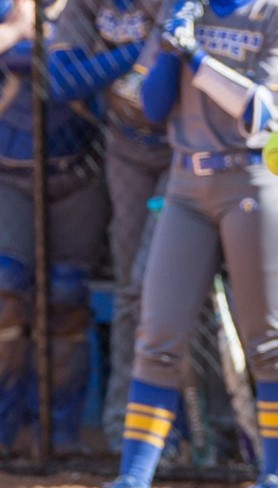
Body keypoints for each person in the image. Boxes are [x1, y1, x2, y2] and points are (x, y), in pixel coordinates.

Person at [88, 0, 278, 488]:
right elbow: (152, 105)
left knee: (267, 339)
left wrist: (196, 56)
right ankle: (133, 484)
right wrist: (172, 44)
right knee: (157, 336)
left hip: (254, 180)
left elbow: (261, 112)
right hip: (186, 184)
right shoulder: (183, 8)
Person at [50, 0, 172, 456]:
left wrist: (104, 64)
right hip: (126, 150)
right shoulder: (85, 5)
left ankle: (206, 431)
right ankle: (124, 423)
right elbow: (60, 82)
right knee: (129, 289)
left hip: (182, 151)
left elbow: (164, 89)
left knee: (168, 287)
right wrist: (142, 49)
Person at [0, 0, 112, 457]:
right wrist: (16, 30)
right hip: (9, 176)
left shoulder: (89, 9)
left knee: (66, 298)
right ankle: (5, 434)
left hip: (78, 174)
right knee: (6, 292)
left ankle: (59, 436)